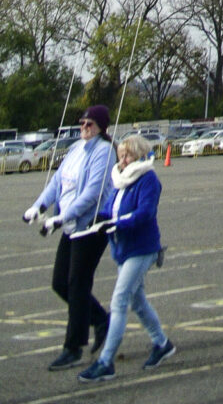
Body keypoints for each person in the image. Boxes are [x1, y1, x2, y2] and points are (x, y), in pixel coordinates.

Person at [25, 103, 115, 372]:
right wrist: (39, 206)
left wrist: (61, 218)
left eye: (90, 124)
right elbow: (57, 183)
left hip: (91, 225)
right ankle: (101, 320)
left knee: (77, 283)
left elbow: (92, 193)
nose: (84, 127)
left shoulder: (104, 151)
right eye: (82, 123)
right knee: (60, 283)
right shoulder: (76, 148)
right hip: (70, 225)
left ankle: (73, 347)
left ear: (101, 127)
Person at [77, 135, 174, 382]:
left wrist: (115, 223)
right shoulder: (120, 179)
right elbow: (110, 208)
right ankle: (162, 343)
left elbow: (144, 213)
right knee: (137, 301)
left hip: (142, 249)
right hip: (122, 249)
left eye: (128, 155)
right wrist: (99, 219)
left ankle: (105, 362)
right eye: (121, 155)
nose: (123, 160)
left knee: (119, 301)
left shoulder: (148, 179)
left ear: (140, 155)